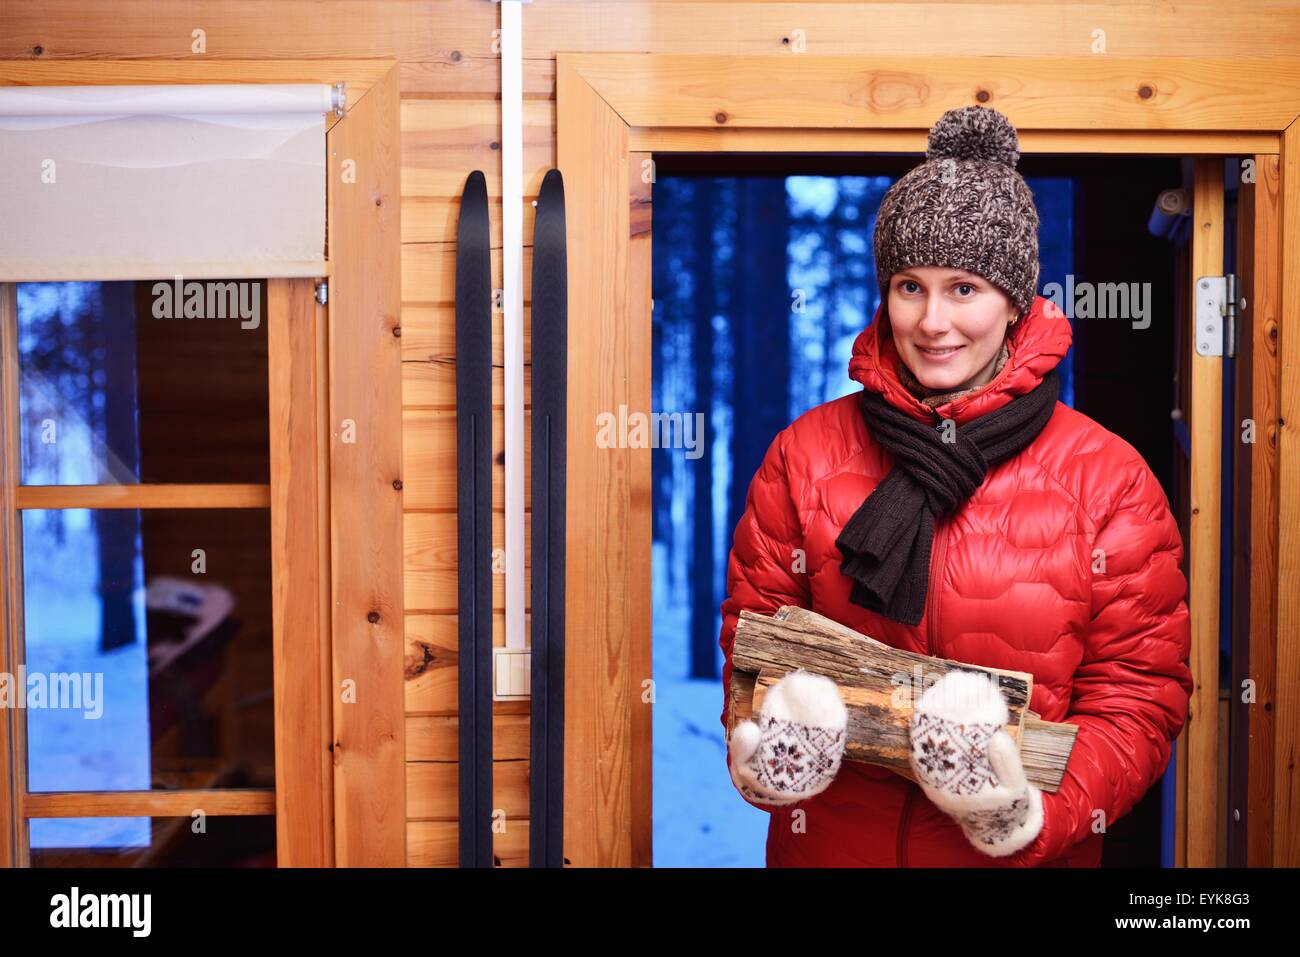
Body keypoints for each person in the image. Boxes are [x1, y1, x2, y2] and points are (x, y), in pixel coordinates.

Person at [719, 104, 1193, 867]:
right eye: (909, 285)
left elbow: (1140, 693)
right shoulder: (805, 456)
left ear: (1014, 302)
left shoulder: (1106, 478)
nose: (932, 320)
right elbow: (753, 644)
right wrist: (775, 746)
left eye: (963, 288)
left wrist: (1036, 811)